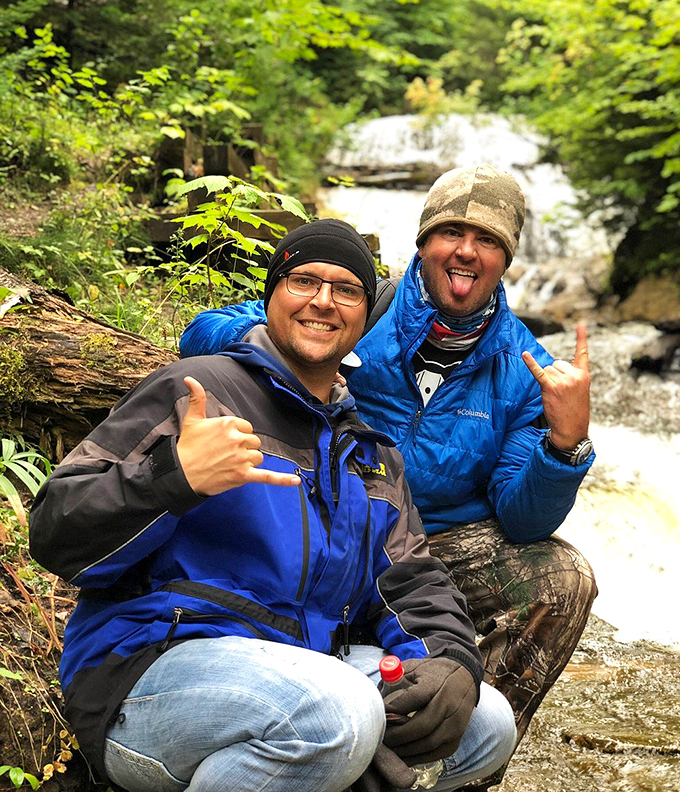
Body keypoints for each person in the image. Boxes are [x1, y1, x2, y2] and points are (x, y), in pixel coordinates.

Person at [30, 219, 517, 792]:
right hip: (146, 669)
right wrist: (171, 478)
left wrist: (453, 659)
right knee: (337, 714)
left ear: (365, 317)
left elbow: (410, 580)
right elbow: (55, 532)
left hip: (308, 674)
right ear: (271, 296)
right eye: (303, 281)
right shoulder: (198, 392)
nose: (323, 301)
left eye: (346, 290)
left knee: (487, 724)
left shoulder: (371, 452)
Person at [179, 165, 598, 787]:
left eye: (486, 239)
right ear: (423, 244)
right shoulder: (357, 306)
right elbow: (201, 332)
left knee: (563, 578)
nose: (465, 250)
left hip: (432, 551)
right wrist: (294, 343)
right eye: (451, 232)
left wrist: (564, 444)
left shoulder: (528, 368)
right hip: (331, 525)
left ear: (505, 259)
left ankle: (450, 751)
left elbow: (522, 518)